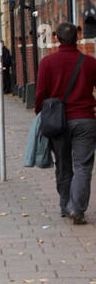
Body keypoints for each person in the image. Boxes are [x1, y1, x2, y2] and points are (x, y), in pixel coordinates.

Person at [35, 22, 96, 224]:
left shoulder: (47, 63)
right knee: (83, 166)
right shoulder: (89, 62)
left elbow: (41, 94)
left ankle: (65, 206)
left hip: (57, 122)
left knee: (62, 164)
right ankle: (76, 208)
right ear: (77, 38)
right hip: (85, 119)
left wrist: (40, 115)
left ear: (56, 38)